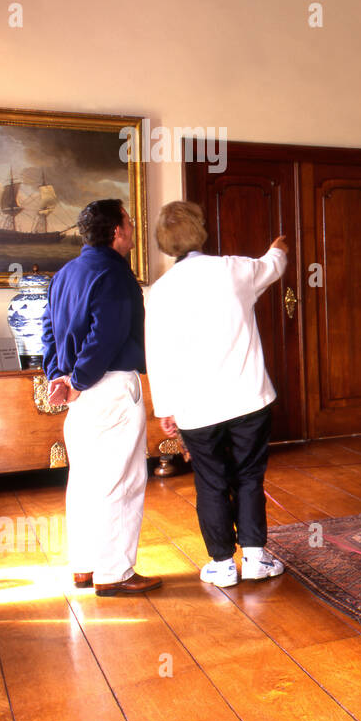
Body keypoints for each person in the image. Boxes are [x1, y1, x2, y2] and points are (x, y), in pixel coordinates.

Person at [145, 201, 288, 588]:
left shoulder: (158, 293)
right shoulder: (233, 270)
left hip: (195, 409)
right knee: (249, 477)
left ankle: (222, 565)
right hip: (248, 399)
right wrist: (278, 247)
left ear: (164, 241)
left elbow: (156, 355)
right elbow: (273, 265)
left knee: (210, 482)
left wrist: (165, 409)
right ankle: (255, 559)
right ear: (201, 230)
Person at [42, 199, 161, 597]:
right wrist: (78, 378)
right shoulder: (115, 274)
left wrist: (58, 376)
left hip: (79, 394)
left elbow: (48, 330)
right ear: (117, 231)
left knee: (84, 479)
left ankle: (84, 566)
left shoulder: (63, 275)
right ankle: (115, 572)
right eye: (129, 220)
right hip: (110, 388)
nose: (133, 226)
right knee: (122, 481)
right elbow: (105, 336)